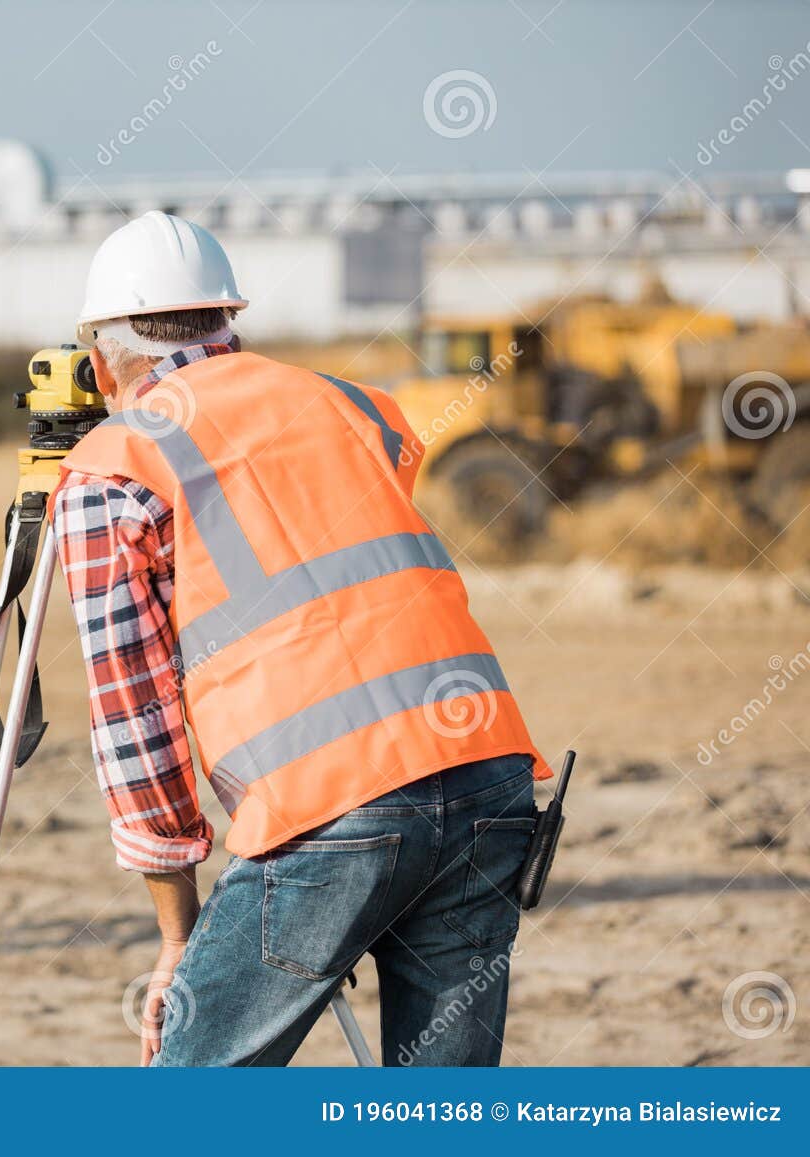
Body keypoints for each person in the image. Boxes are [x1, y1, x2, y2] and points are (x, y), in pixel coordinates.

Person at [52, 211, 552, 1065]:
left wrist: (179, 934)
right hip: (486, 771)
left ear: (99, 358)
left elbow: (135, 722)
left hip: (332, 800)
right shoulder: (351, 404)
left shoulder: (114, 464)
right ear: (227, 322)